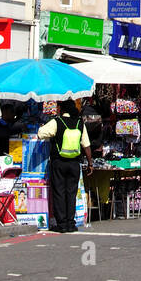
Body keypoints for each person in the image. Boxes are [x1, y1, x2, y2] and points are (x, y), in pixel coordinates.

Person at [38, 99, 94, 233]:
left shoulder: (57, 121)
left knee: (59, 192)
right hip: (74, 163)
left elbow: (40, 134)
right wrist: (90, 163)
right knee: (71, 193)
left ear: (62, 109)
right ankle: (70, 223)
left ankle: (62, 224)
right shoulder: (80, 123)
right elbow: (86, 145)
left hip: (59, 162)